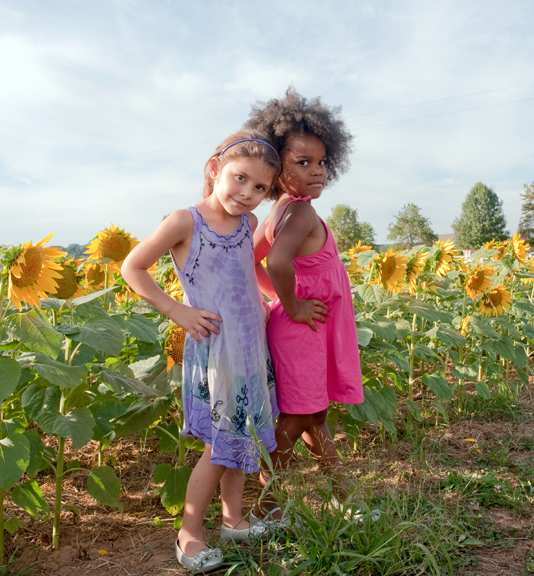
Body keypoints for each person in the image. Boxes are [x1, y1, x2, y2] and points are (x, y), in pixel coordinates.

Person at [120, 132, 281, 574]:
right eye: (239, 178)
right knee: (218, 446)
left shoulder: (248, 225)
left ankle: (233, 520)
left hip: (251, 346)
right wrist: (176, 310)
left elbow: (249, 269)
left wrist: (264, 302)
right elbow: (132, 266)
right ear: (215, 170)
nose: (247, 193)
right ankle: (189, 533)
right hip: (218, 350)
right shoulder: (185, 221)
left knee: (243, 438)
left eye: (260, 188)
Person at [246, 89, 364, 524]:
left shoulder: (282, 211)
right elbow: (275, 261)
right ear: (278, 168)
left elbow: (252, 260)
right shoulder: (300, 215)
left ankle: (342, 495)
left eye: (322, 162)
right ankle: (268, 503)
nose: (317, 172)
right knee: (298, 418)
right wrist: (292, 305)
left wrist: (277, 298)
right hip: (303, 330)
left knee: (314, 413)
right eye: (303, 163)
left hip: (301, 328)